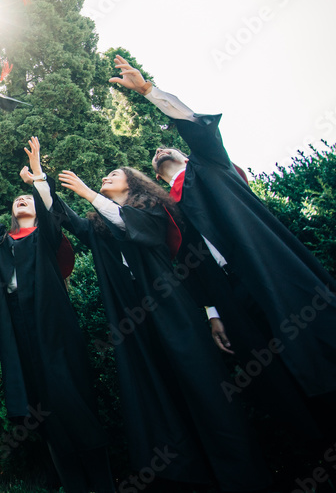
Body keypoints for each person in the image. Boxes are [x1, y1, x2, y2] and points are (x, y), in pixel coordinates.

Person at [109, 56, 336, 413]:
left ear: (187, 154)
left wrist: (149, 91)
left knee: (324, 352)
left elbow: (193, 123)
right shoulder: (171, 212)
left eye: (167, 147)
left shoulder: (211, 166)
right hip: (231, 295)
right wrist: (214, 312)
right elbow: (190, 265)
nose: (158, 151)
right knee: (280, 379)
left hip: (267, 270)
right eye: (154, 155)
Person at [55, 163, 271, 492]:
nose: (106, 178)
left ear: (134, 183)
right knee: (159, 394)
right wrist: (42, 181)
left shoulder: (152, 208)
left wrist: (87, 192)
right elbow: (77, 224)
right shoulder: (103, 223)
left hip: (171, 310)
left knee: (204, 388)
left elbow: (135, 227)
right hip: (135, 323)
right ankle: (189, 479)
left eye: (115, 174)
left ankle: (243, 479)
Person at [0, 137, 114, 493]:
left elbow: (51, 207)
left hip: (56, 329)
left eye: (26, 198)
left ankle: (103, 483)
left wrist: (39, 174)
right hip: (18, 335)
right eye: (16, 199)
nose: (21, 200)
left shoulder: (46, 234)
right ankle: (72, 483)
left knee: (75, 403)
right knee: (43, 413)